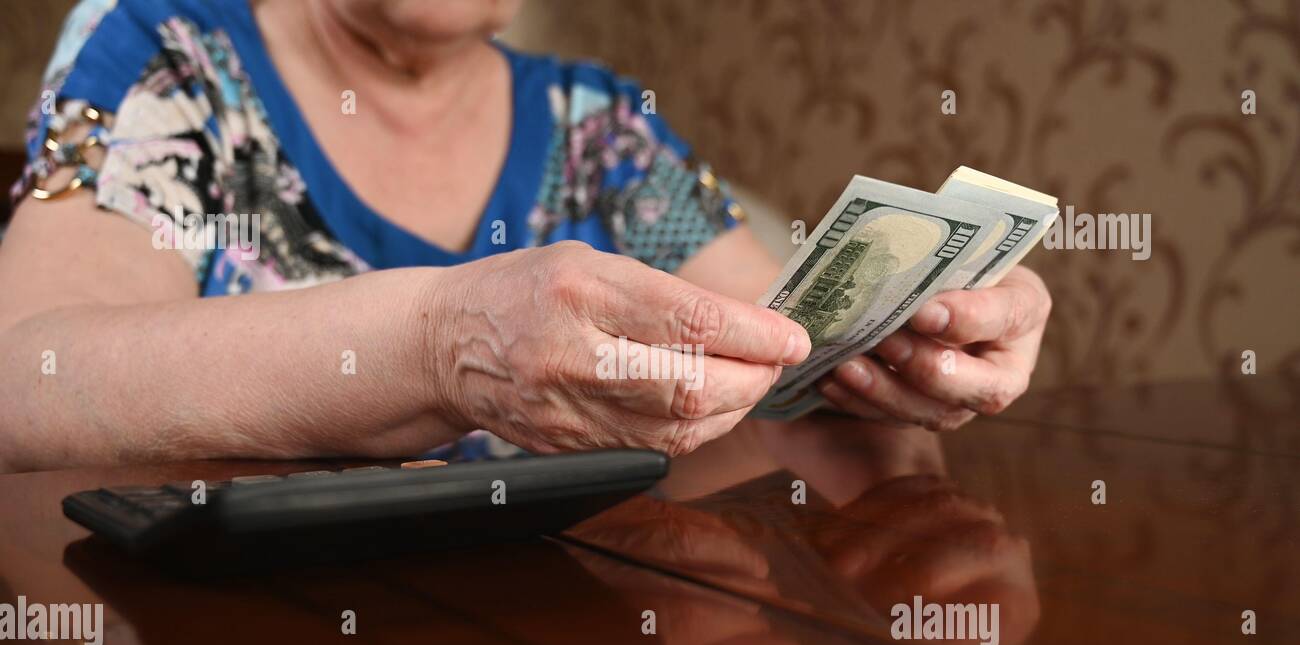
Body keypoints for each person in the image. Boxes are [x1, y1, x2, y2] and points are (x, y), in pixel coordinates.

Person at [0, 0, 1052, 473]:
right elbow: (25, 378)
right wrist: (437, 336)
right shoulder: (164, 52)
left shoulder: (596, 128)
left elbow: (782, 354)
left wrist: (918, 336)